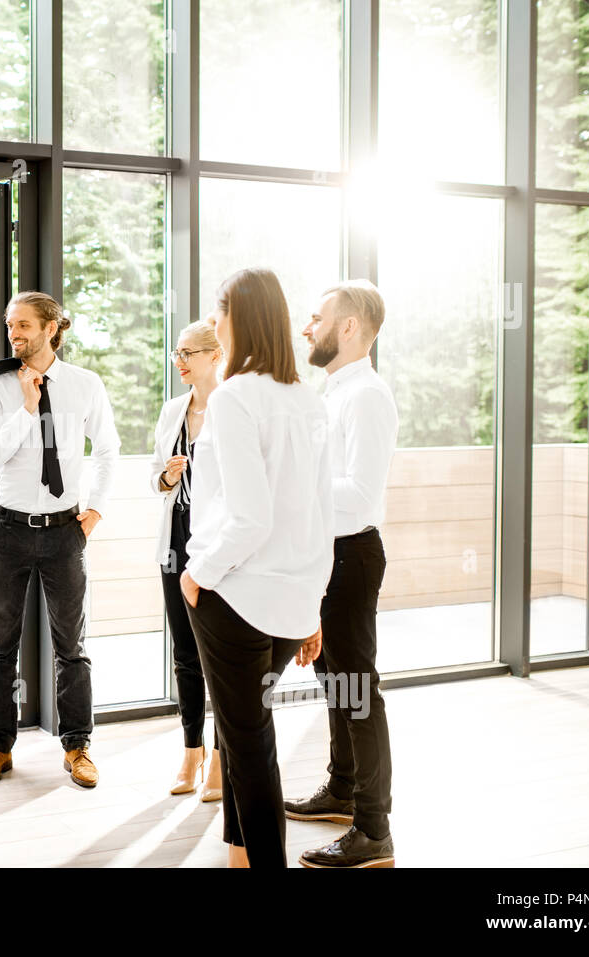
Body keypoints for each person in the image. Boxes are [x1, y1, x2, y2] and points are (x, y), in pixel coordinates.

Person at [179, 267, 333, 869]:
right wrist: (313, 602)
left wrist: (198, 574)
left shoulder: (236, 396)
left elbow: (248, 517)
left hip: (234, 595)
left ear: (239, 319)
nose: (215, 326)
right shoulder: (308, 399)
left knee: (246, 743)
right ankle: (240, 855)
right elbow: (323, 515)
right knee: (246, 730)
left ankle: (260, 861)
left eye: (219, 315)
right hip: (290, 602)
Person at [0, 291, 120, 789]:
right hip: (8, 529)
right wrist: (27, 409)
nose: (15, 333)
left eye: (26, 325)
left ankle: (78, 746)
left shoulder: (85, 384)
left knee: (72, 646)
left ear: (52, 328)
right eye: (11, 324)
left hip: (65, 531)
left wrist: (95, 509)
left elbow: (107, 449)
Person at [276, 280, 399, 868]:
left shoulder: (366, 397)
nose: (307, 327)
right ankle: (343, 790)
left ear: (348, 327)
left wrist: (293, 486)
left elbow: (361, 495)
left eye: (317, 318)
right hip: (327, 557)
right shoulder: (332, 392)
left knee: (357, 693)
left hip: (351, 557)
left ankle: (373, 832)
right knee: (333, 683)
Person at [149, 316, 227, 798]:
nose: (179, 361)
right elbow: (155, 480)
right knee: (184, 653)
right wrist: (168, 477)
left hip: (217, 546)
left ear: (215, 355)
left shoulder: (233, 407)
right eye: (176, 354)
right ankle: (191, 751)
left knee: (217, 654)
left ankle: (221, 758)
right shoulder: (172, 409)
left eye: (188, 353)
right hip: (176, 540)